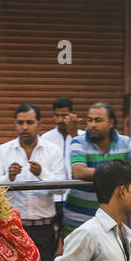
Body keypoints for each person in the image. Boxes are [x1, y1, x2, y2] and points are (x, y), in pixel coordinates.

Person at [0, 103, 65, 261]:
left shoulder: (53, 151)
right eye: (20, 123)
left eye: (30, 122)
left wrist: (42, 174)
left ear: (39, 124)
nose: (25, 127)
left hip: (45, 228)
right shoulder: (3, 151)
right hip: (13, 228)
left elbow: (62, 188)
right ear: (15, 124)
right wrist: (9, 177)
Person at [65, 102, 131, 235]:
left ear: (110, 122)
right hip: (79, 219)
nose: (93, 124)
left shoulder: (125, 142)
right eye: (90, 120)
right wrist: (118, 172)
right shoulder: (78, 142)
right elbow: (79, 172)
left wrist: (111, 172)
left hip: (112, 220)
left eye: (98, 120)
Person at [41, 97, 83, 238]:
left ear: (72, 114)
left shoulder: (82, 137)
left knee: (76, 239)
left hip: (77, 197)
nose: (60, 120)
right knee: (53, 241)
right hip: (54, 200)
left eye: (64, 115)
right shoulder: (45, 139)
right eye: (56, 115)